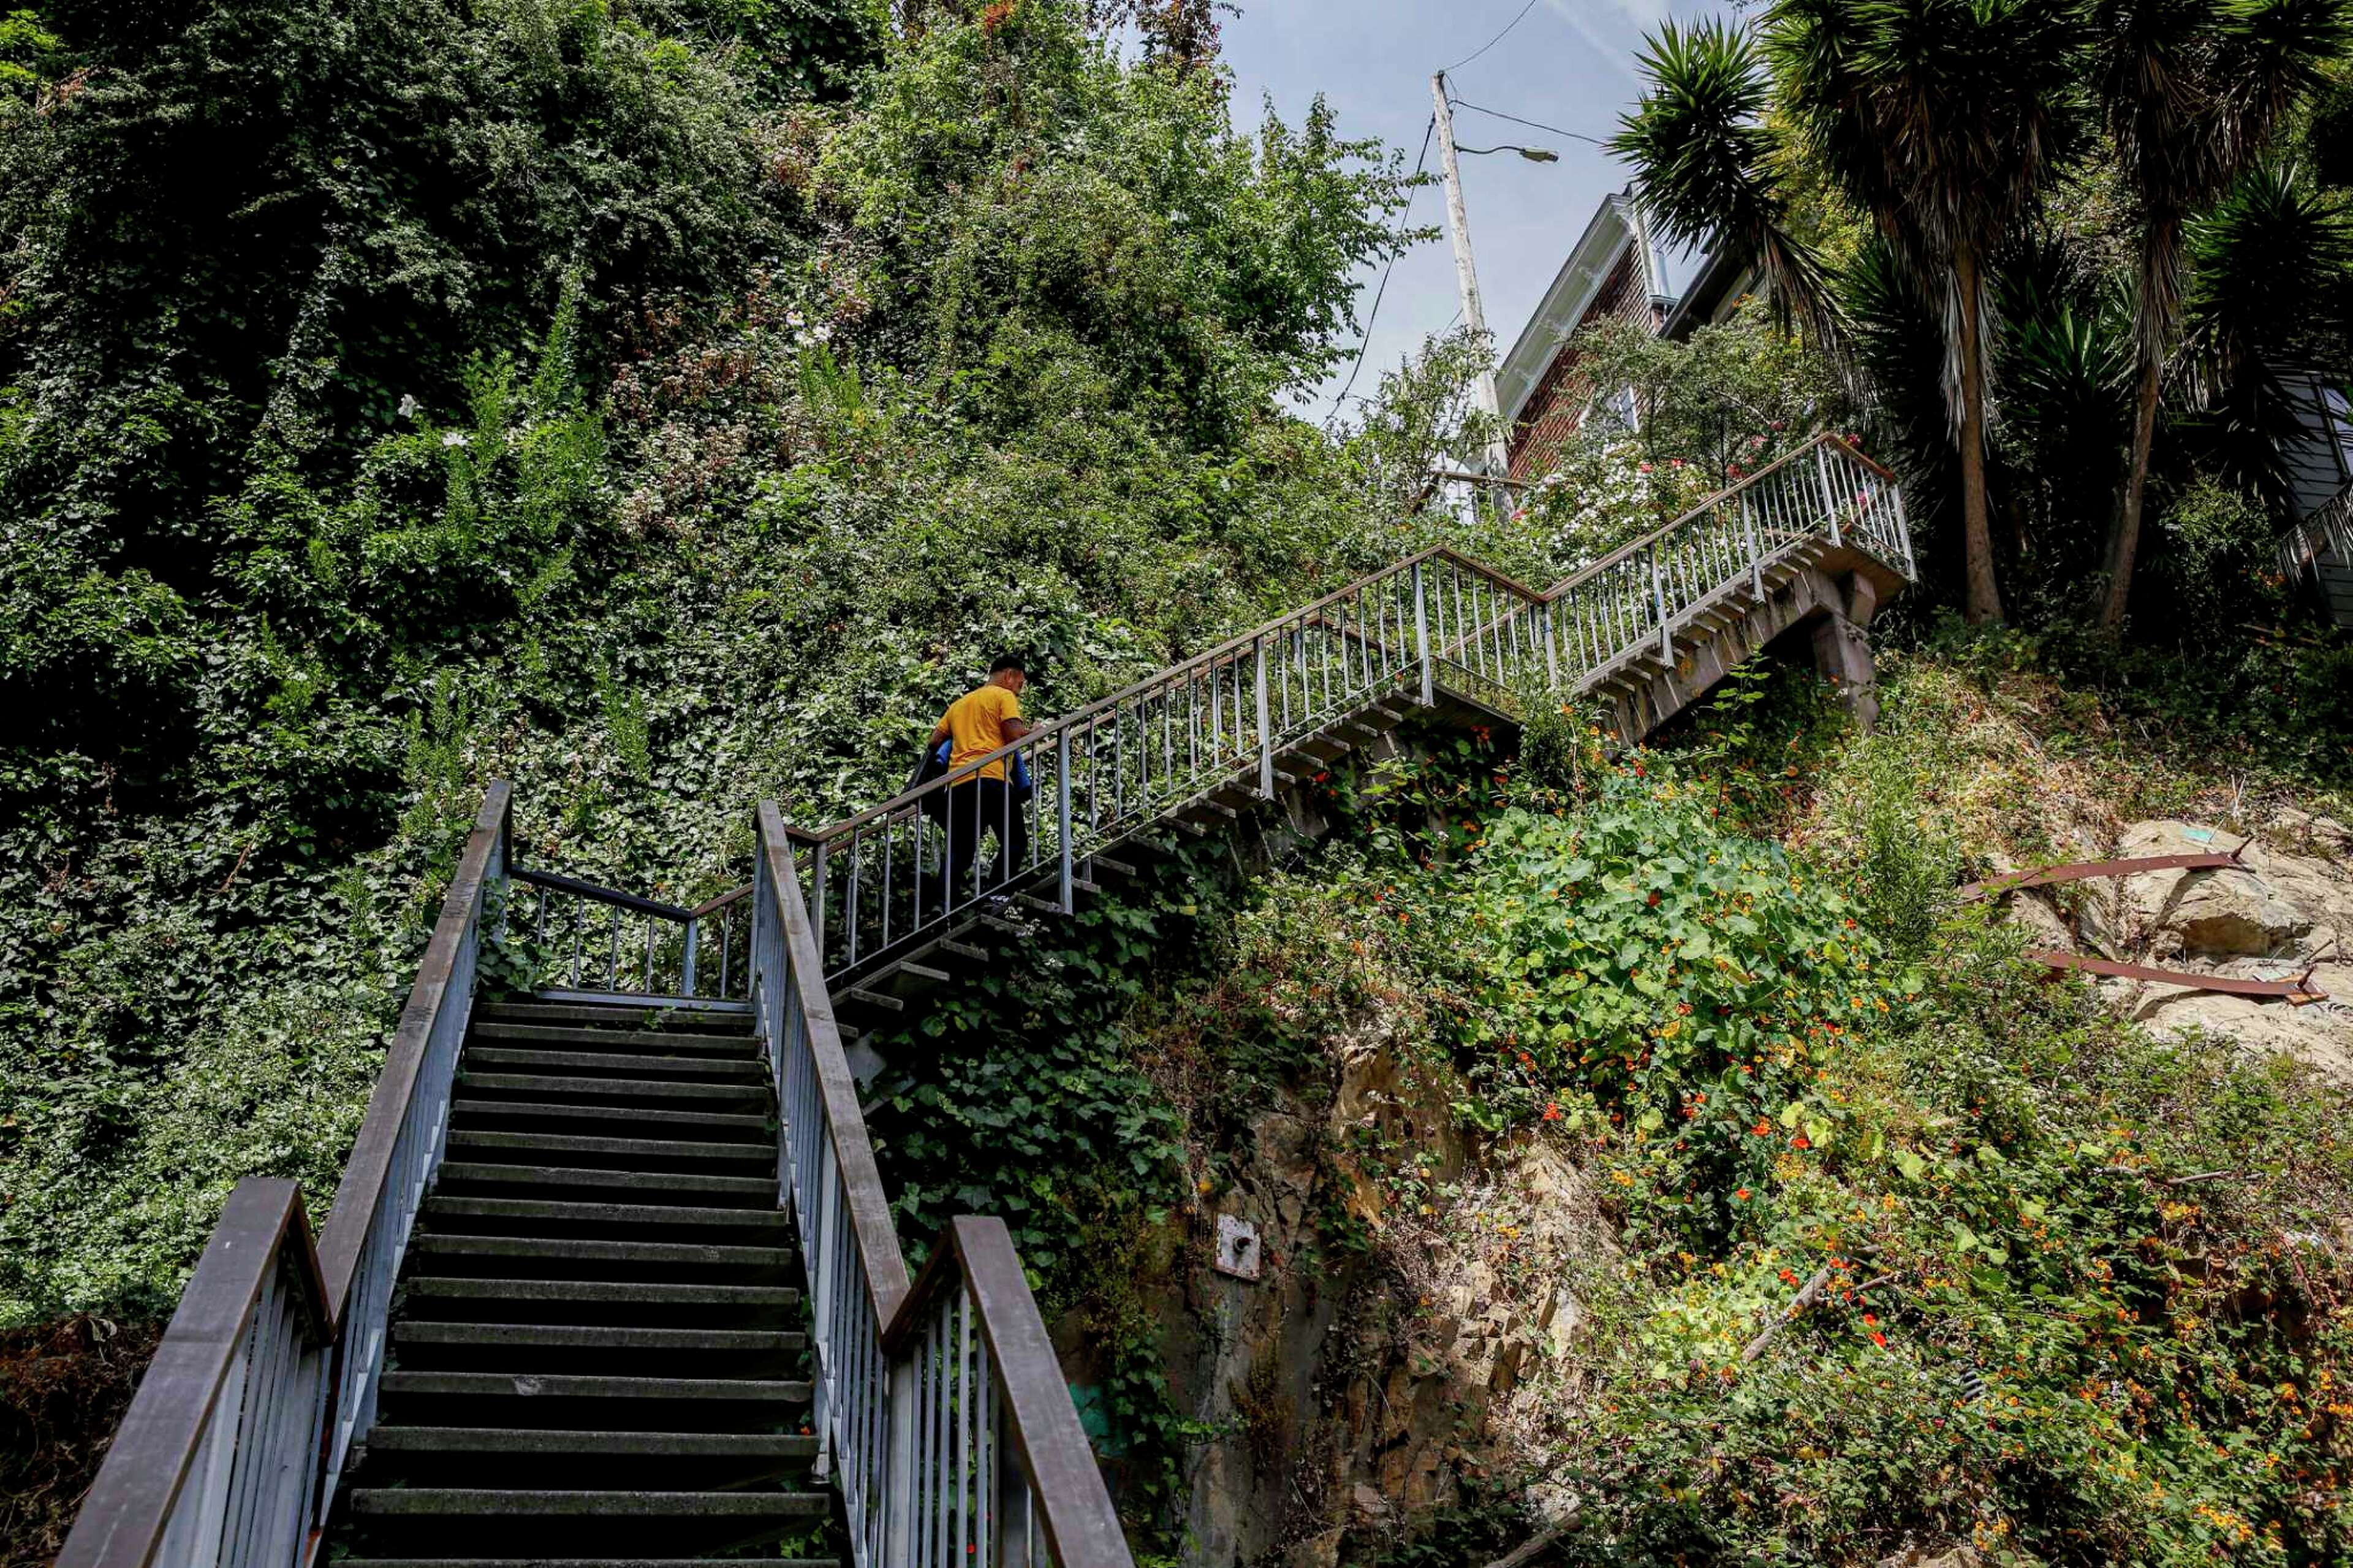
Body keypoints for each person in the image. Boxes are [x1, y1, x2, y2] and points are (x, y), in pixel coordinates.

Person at [928, 654, 1034, 906]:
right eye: (1020, 684)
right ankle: (995, 893)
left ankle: (944, 904)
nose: (1019, 691)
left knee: (961, 849)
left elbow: (934, 741)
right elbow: (1013, 734)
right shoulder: (1003, 696)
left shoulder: (959, 704)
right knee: (1015, 841)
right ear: (1009, 676)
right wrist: (1035, 732)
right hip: (992, 778)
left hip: (959, 784)